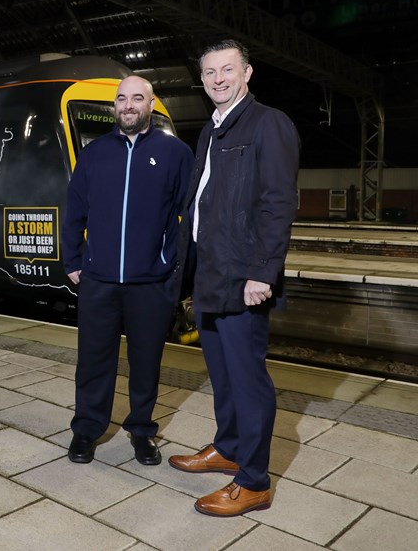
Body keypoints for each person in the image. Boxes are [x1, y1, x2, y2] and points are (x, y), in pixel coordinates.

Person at [167, 40, 300, 517]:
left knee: (248, 380)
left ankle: (254, 481)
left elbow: (278, 204)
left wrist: (263, 272)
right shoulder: (210, 130)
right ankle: (228, 448)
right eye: (209, 72)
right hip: (209, 274)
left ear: (247, 73)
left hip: (244, 278)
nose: (218, 79)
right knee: (222, 376)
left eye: (227, 69)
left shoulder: (268, 124)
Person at [61, 76, 193, 465]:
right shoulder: (94, 153)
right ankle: (87, 430)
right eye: (122, 99)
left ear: (151, 104)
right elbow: (74, 209)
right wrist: (73, 261)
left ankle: (142, 431)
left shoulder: (175, 153)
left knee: (146, 362)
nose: (129, 105)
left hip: (151, 283)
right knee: (93, 360)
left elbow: (190, 215)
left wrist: (174, 266)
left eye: (137, 98)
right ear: (115, 106)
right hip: (98, 281)